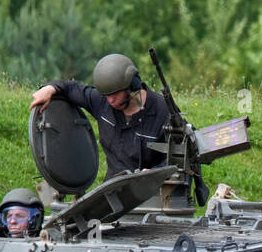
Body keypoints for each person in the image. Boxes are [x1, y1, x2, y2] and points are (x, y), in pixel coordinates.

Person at [30, 53, 170, 181]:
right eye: (106, 95)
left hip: (150, 194)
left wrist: (155, 173)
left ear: (132, 86)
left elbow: (181, 154)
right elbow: (72, 88)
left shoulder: (163, 110)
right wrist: (49, 88)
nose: (110, 100)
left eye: (114, 94)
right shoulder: (103, 103)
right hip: (112, 191)